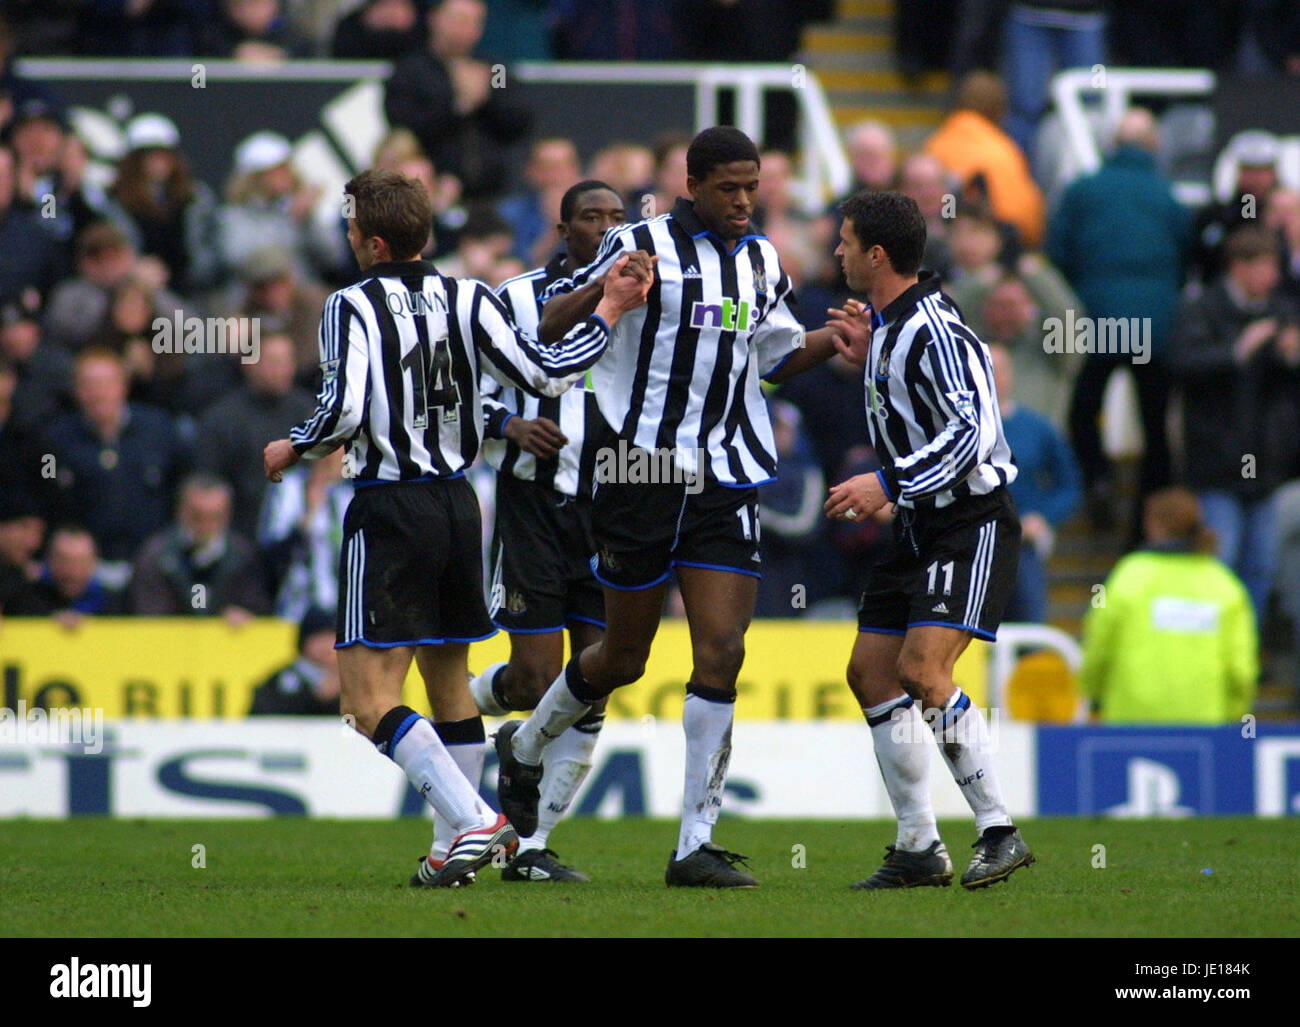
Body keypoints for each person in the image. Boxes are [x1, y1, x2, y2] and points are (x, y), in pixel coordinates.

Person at [261, 168, 651, 888]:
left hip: (389, 506)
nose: (349, 241)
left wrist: (294, 443)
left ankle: (473, 817)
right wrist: (611, 311)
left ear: (372, 242)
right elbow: (547, 369)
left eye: (351, 231)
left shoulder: (350, 304)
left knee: (365, 700)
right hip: (459, 505)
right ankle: (450, 853)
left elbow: (343, 412)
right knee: (447, 683)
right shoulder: (470, 297)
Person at [492, 127, 857, 888]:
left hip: (726, 475)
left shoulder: (762, 259)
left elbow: (777, 357)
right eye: (730, 187)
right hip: (637, 470)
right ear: (693, 183)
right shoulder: (636, 240)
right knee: (623, 658)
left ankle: (695, 841)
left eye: (753, 187)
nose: (745, 201)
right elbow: (547, 328)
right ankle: (524, 748)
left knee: (722, 649)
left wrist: (835, 339)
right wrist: (607, 290)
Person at [823, 189, 1034, 890]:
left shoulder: (935, 328)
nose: (837, 252)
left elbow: (971, 432)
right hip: (922, 523)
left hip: (969, 520)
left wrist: (887, 482)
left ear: (876, 254)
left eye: (845, 242)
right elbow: (921, 407)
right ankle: (918, 845)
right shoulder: (890, 324)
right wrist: (867, 360)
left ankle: (998, 829)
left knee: (921, 671)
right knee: (871, 674)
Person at [468, 178, 627, 884]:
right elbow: (465, 391)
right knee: (536, 677)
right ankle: (465, 704)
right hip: (533, 507)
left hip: (615, 509)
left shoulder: (649, 304)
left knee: (599, 673)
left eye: (618, 217)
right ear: (563, 230)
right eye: (591, 217)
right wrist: (507, 424)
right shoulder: (514, 297)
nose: (606, 227)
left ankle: (533, 847)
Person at [1168, 226, 1300, 625]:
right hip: (1215, 466)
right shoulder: (1203, 309)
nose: (1272, 277)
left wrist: (1287, 356)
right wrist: (1237, 351)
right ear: (1238, 268)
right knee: (1219, 561)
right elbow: (1181, 364)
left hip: (1267, 465)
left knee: (1260, 566)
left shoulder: (1281, 310)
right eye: (1264, 267)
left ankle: (1245, 651)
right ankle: (1210, 642)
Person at [1081, 488, 1257, 723]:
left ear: (1153, 526)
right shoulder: (1225, 586)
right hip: (1206, 728)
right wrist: (1229, 716)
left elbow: (1098, 647)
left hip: (1129, 725)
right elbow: (1241, 672)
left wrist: (1092, 692)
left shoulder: (1129, 576)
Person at [384, 0, 532, 201]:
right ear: (435, 19)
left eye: (475, 21)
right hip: (430, 191)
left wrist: (486, 97)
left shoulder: (495, 69)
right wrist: (456, 105)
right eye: (460, 19)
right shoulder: (412, 70)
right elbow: (403, 126)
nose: (467, 28)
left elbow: (517, 119)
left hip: (494, 192)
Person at [991, 342, 1082, 624]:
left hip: (1020, 546)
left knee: (1028, 629)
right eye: (984, 369)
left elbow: (1070, 486)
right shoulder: (951, 427)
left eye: (999, 370)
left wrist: (1043, 517)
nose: (992, 378)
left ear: (1011, 375)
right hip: (965, 544)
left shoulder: (1037, 427)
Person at [128, 472, 272, 621]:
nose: (206, 525)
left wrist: (244, 614)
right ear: (181, 511)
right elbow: (149, 614)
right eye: (198, 516)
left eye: (215, 517)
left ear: (228, 514)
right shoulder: (155, 556)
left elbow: (258, 606)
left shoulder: (243, 556)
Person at [249, 606, 342, 716]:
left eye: (332, 637)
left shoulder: (356, 678)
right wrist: (316, 698)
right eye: (318, 638)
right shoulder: (282, 678)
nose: (326, 646)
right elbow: (264, 715)